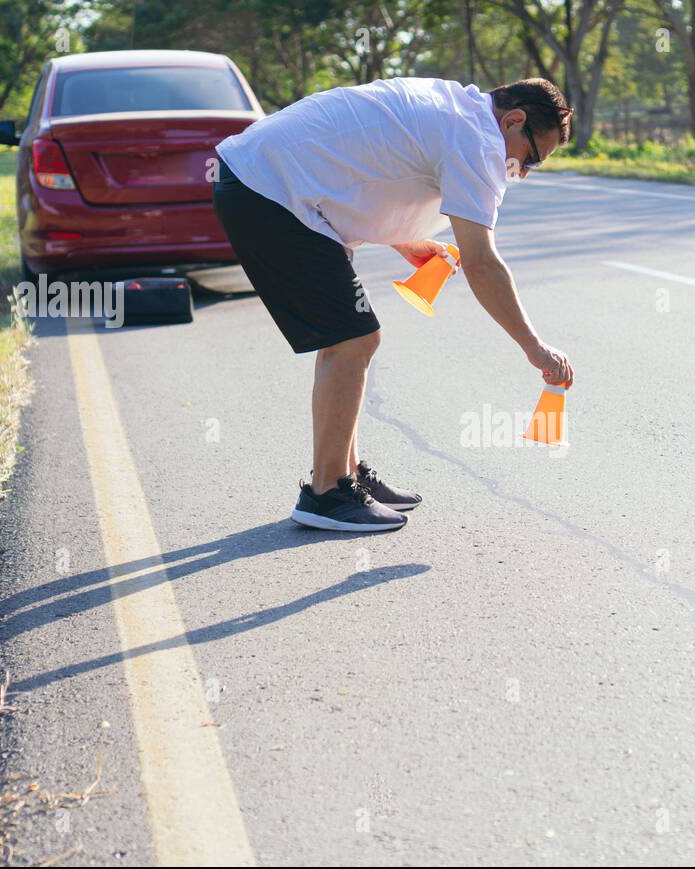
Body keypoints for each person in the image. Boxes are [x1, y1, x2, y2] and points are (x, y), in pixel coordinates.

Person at [212, 76, 575, 533]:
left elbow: (373, 159)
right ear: (514, 120)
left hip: (269, 183)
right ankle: (327, 493)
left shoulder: (455, 107)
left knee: (348, 338)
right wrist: (535, 348)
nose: (519, 171)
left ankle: (348, 476)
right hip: (269, 192)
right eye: (530, 158)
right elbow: (482, 263)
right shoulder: (479, 140)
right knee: (355, 339)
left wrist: (406, 240)